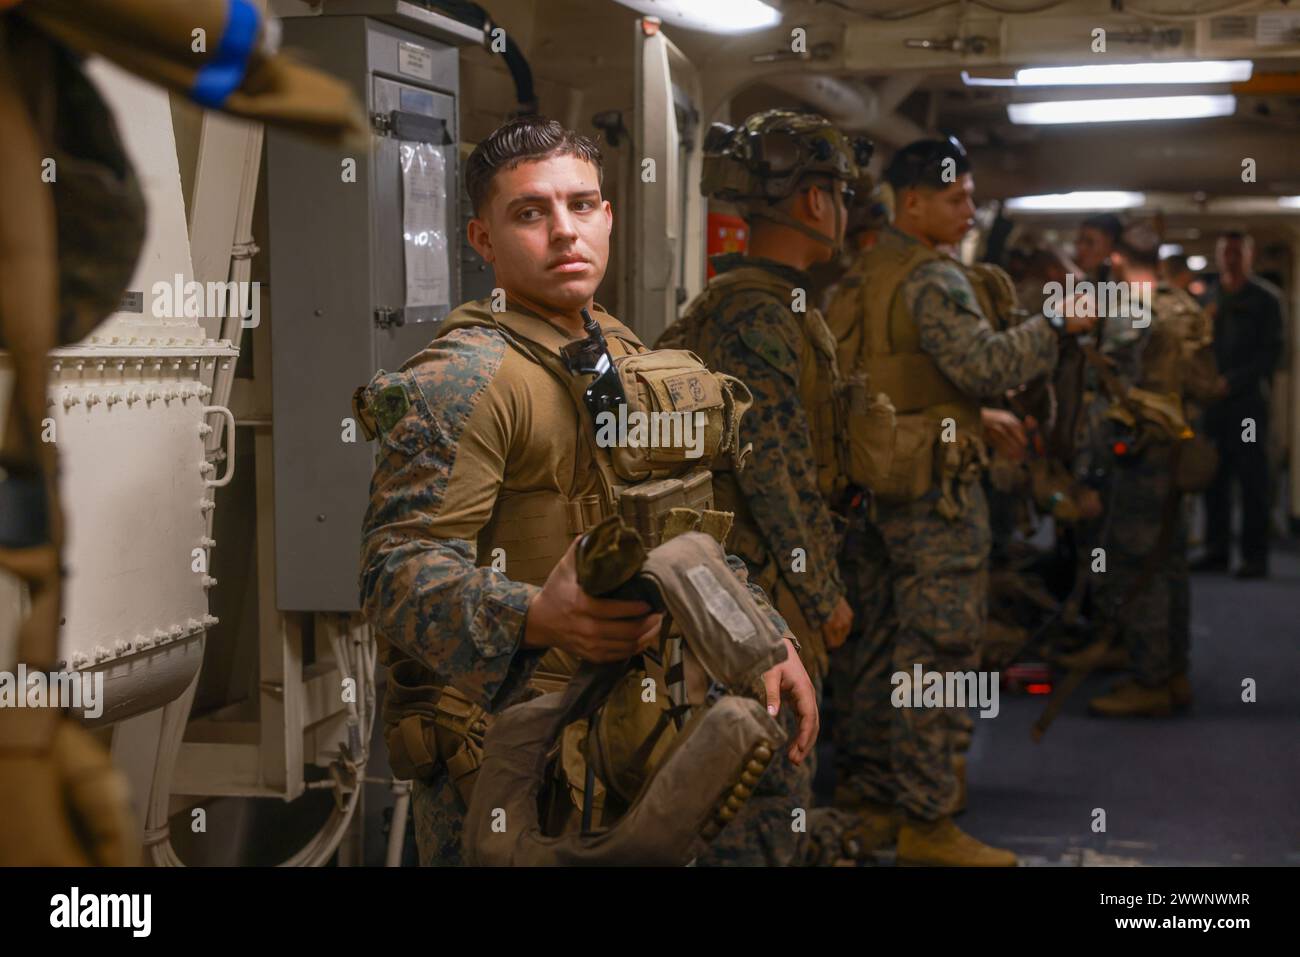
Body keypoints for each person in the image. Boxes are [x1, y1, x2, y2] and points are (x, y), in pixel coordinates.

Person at [355, 117, 817, 865]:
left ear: (608, 216)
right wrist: (535, 613)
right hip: (509, 762)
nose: (564, 231)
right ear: (482, 239)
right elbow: (392, 575)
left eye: (581, 205)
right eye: (530, 212)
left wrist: (762, 637)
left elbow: (676, 526)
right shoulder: (461, 380)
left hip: (627, 734)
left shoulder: (620, 352)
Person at [824, 136, 1096, 866]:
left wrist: (972, 416)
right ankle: (927, 821)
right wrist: (1055, 325)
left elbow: (894, 379)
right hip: (931, 500)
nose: (970, 211)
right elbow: (982, 364)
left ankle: (869, 799)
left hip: (870, 489)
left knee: (876, 649)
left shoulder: (862, 272)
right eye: (957, 198)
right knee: (938, 656)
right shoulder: (933, 277)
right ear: (911, 202)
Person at [656, 110, 869, 864]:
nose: (844, 210)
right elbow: (772, 469)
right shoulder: (758, 315)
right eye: (840, 193)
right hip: (759, 595)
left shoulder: (762, 304)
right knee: (766, 790)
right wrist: (824, 594)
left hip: (745, 585)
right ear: (816, 201)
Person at [1086, 227, 1220, 716]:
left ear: (1118, 260)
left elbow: (1108, 387)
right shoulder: (1180, 304)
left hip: (1142, 453)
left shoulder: (1129, 310)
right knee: (1170, 560)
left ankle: (1150, 679)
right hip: (1180, 448)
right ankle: (1174, 670)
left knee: (1137, 563)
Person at [1193, 231, 1284, 579]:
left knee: (1251, 481)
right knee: (1213, 476)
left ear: (1249, 255)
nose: (1230, 258)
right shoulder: (1209, 298)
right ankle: (1216, 551)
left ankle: (1254, 556)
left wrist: (1232, 382)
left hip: (1247, 407)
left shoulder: (1265, 299)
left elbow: (1271, 354)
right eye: (1225, 252)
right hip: (1213, 407)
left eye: (1236, 252)